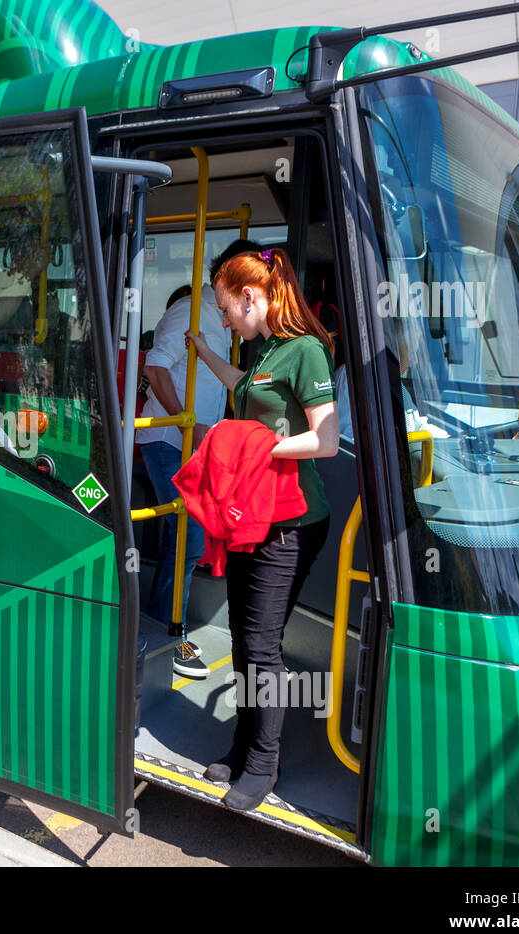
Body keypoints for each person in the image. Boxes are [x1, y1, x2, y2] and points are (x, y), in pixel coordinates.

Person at [184, 246, 339, 812]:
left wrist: (253, 446)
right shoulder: (263, 348)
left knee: (259, 645)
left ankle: (263, 764)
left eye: (226, 310)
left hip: (292, 524)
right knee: (247, 643)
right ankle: (244, 742)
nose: (225, 320)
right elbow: (245, 390)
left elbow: (326, 440)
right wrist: (204, 355)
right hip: (253, 515)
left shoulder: (305, 352)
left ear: (252, 297)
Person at [139, 239, 260, 679]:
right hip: (169, 441)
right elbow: (155, 368)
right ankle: (170, 630)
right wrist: (187, 425)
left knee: (186, 538)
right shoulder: (190, 311)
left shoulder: (217, 318)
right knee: (187, 538)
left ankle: (159, 624)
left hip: (190, 444)